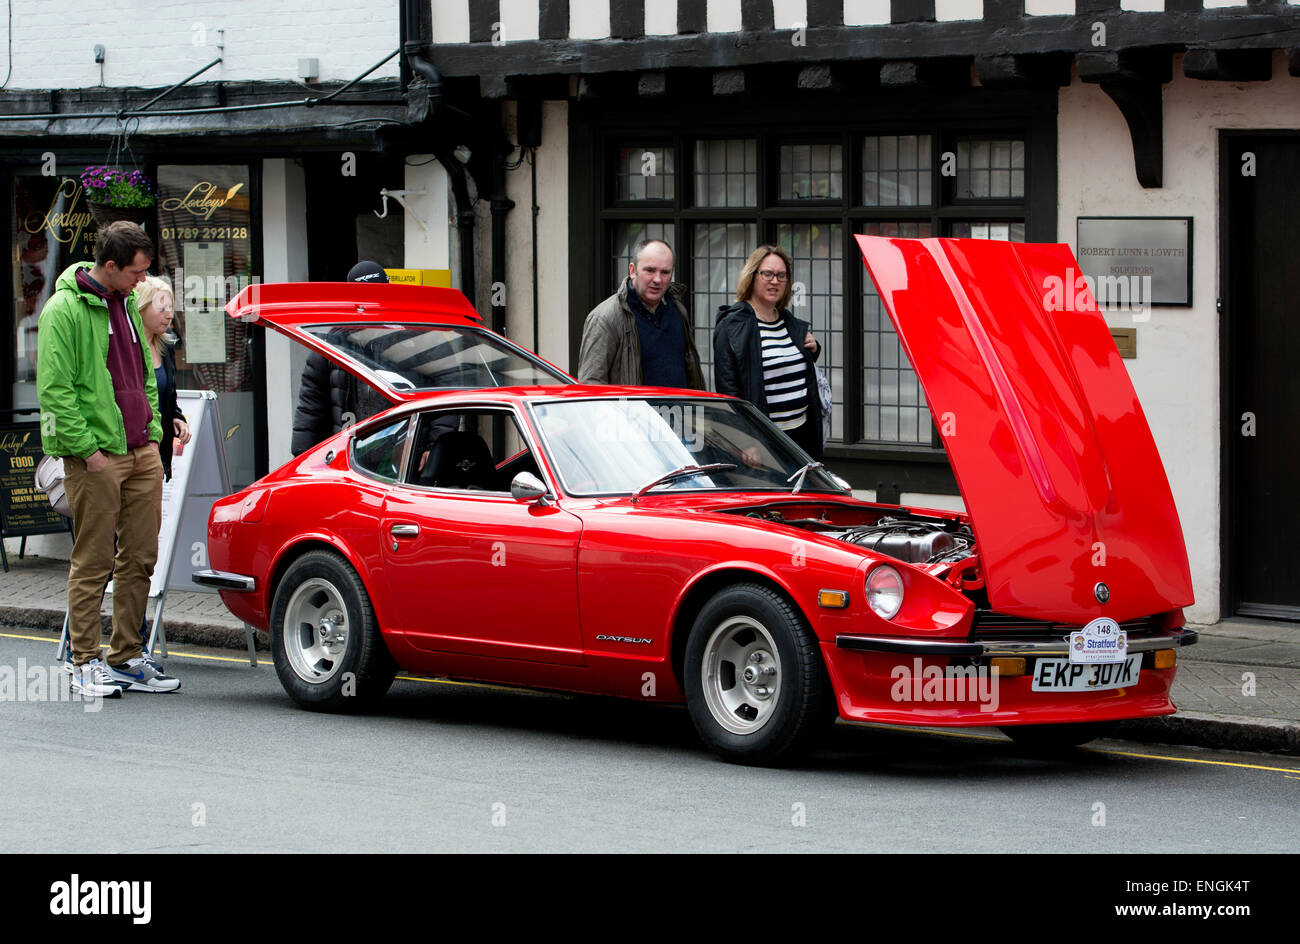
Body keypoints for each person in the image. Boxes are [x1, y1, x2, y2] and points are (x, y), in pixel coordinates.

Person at [36, 221, 180, 696]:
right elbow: (55, 392)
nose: (143, 281)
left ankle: (126, 657)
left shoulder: (127, 305)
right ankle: (83, 663)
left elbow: (144, 373)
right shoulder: (64, 309)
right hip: (96, 455)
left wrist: (153, 431)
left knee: (140, 558)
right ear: (111, 266)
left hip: (141, 451)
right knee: (94, 560)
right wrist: (88, 452)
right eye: (136, 272)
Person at [713, 244, 824, 460]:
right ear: (752, 276)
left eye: (781, 276)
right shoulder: (733, 326)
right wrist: (746, 442)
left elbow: (790, 368)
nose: (775, 281)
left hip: (802, 437)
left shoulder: (789, 322)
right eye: (768, 274)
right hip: (765, 440)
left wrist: (814, 349)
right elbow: (728, 391)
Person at [290, 261, 393, 456]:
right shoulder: (331, 345)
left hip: (401, 453)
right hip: (347, 455)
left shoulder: (409, 340)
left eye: (378, 295)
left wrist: (431, 446)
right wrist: (302, 457)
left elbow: (442, 391)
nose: (370, 304)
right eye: (364, 297)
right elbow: (311, 407)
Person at [577, 238, 705, 389]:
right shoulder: (605, 318)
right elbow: (591, 385)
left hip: (683, 411)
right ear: (632, 270)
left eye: (665, 272)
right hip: (631, 412)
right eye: (650, 270)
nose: (657, 279)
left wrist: (698, 411)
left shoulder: (678, 310)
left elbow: (691, 376)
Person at [136, 276, 192, 480]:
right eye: (161, 308)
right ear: (141, 308)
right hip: (132, 452)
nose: (169, 315)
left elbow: (168, 397)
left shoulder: (165, 347)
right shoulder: (127, 350)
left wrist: (177, 418)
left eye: (171, 308)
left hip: (159, 450)